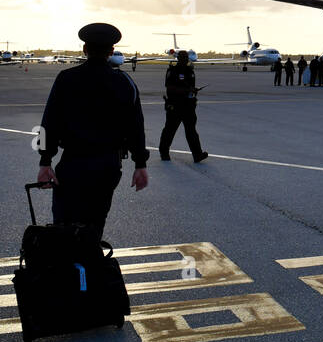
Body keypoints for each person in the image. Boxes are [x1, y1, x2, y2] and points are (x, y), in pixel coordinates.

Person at [36, 23, 148, 238]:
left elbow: (48, 122)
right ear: (111, 52)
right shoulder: (125, 82)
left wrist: (45, 161)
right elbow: (136, 126)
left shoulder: (66, 78)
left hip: (73, 163)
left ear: (85, 49)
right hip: (107, 165)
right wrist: (140, 163)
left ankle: (67, 268)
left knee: (63, 224)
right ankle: (89, 266)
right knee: (95, 224)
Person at [160, 50, 208, 163]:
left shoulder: (190, 71)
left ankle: (197, 155)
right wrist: (187, 90)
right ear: (178, 58)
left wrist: (193, 91)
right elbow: (170, 88)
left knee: (191, 132)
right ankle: (164, 152)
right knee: (170, 130)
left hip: (188, 107)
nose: (186, 59)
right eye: (183, 57)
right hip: (175, 106)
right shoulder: (172, 71)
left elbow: (191, 86)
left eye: (186, 57)